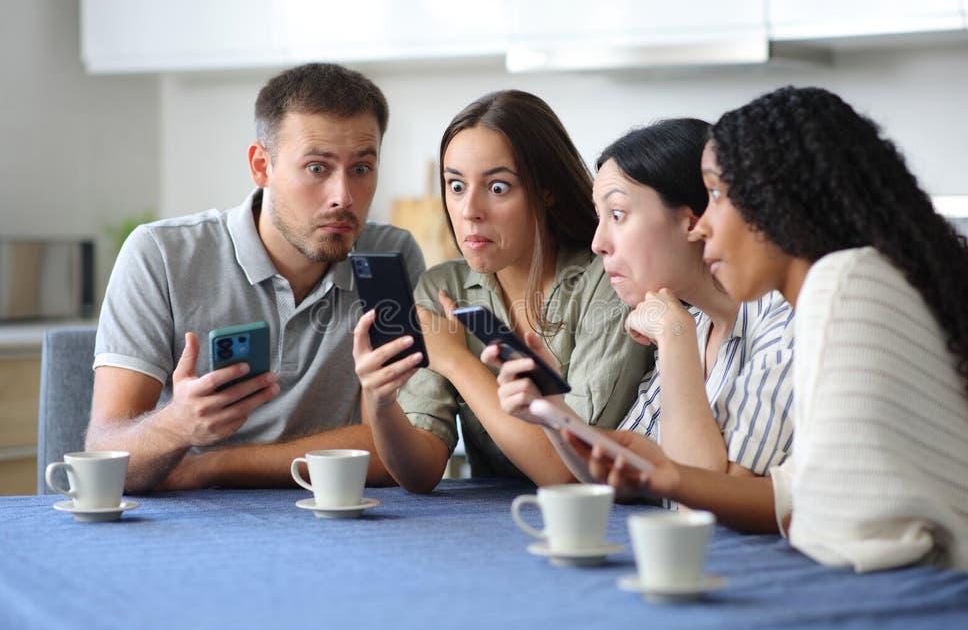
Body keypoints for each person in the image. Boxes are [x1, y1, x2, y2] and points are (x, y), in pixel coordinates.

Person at [569, 86, 968, 580]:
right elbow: (796, 491)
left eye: (719, 196)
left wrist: (691, 486)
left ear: (775, 203)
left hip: (950, 592)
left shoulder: (844, 283)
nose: (702, 225)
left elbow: (835, 526)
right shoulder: (843, 287)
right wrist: (671, 478)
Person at [85, 63, 425, 492]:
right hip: (194, 529)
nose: (343, 197)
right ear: (262, 166)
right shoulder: (161, 254)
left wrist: (210, 465)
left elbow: (393, 451)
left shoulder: (390, 257)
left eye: (361, 169)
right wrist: (177, 426)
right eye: (318, 168)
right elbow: (105, 458)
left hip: (336, 521)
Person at [483, 120, 795, 507]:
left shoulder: (782, 325)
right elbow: (625, 475)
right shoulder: (693, 325)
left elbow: (698, 499)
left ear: (693, 221)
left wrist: (674, 336)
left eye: (617, 214)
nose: (598, 243)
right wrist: (554, 412)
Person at [353, 90, 652, 492]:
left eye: (497, 188)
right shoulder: (444, 286)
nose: (469, 210)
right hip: (492, 527)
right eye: (456, 186)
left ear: (547, 189)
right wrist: (380, 400)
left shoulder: (609, 279)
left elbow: (569, 471)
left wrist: (457, 361)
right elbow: (419, 473)